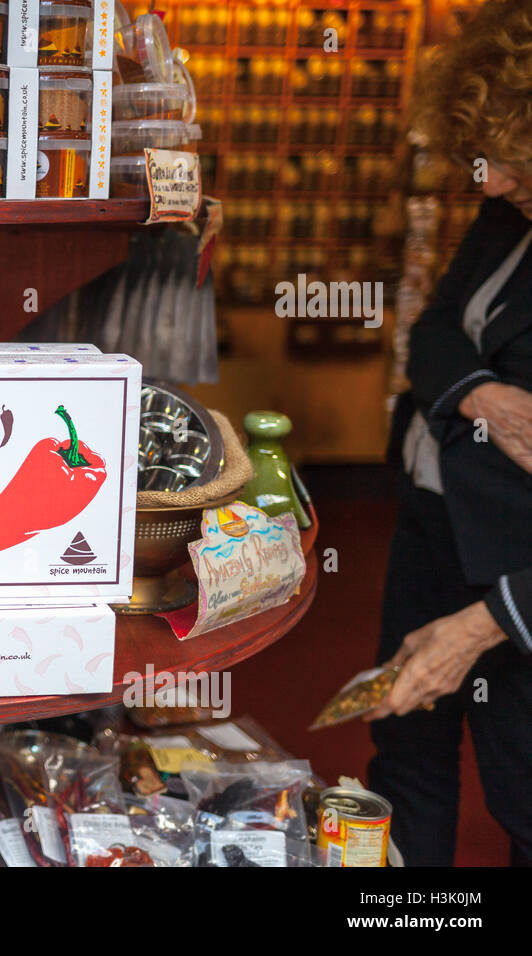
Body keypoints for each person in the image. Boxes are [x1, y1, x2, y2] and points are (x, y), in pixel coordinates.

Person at [368, 0, 532, 867]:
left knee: (522, 792)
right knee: (407, 745)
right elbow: (432, 332)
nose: (491, 183)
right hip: (435, 517)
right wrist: (479, 394)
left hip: (514, 571)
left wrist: (491, 620)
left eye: (511, 162)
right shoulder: (511, 209)